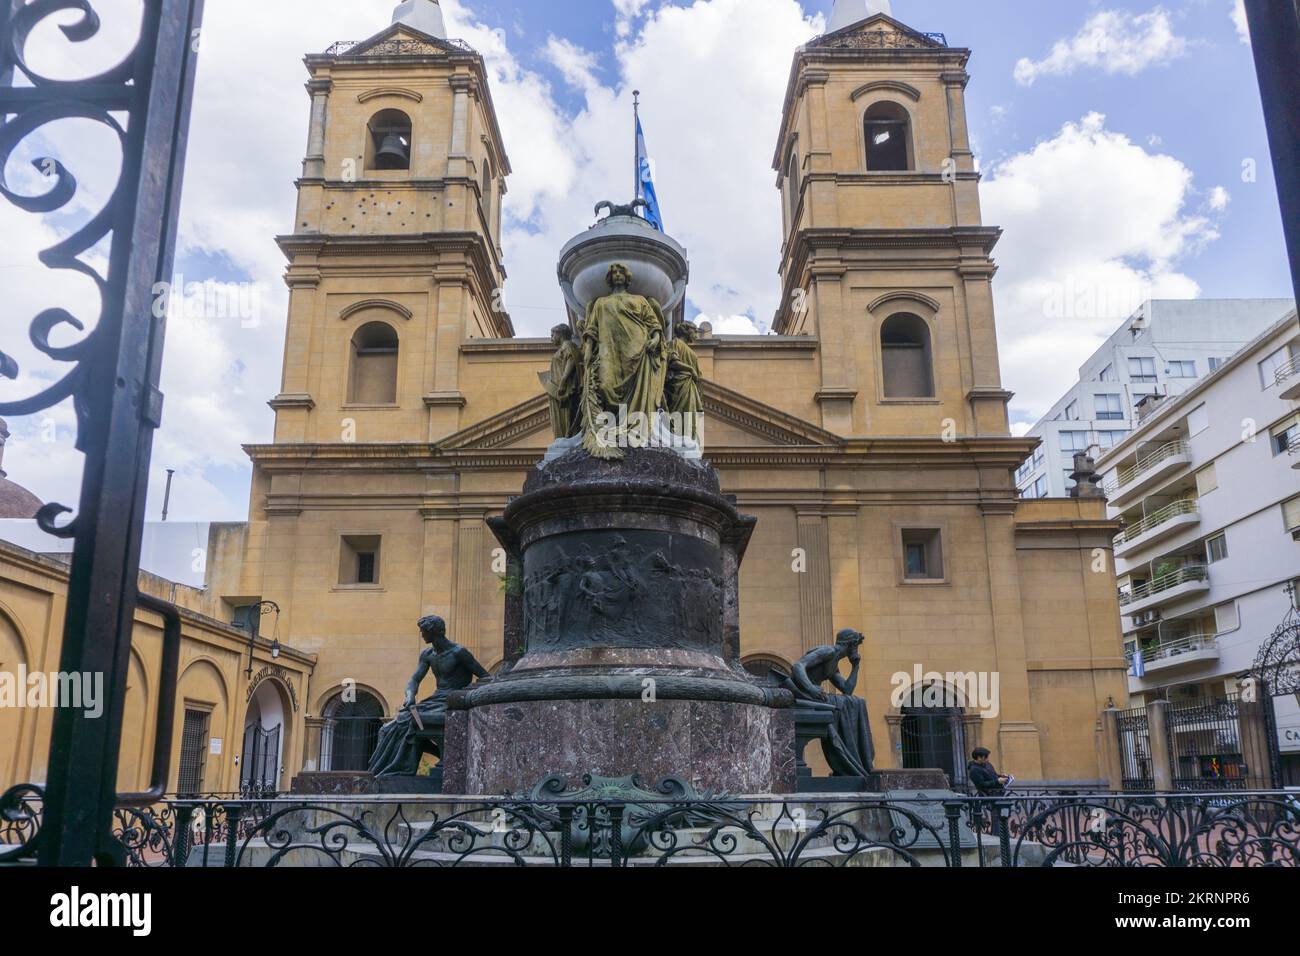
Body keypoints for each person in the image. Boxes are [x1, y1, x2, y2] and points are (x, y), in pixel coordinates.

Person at [367, 615, 490, 777]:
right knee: (388, 728)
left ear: (435, 632)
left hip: (453, 701)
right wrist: (410, 696)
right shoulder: (427, 655)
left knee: (409, 722)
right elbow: (414, 679)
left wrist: (466, 696)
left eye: (424, 631)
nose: (422, 634)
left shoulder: (459, 652)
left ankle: (406, 767)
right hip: (435, 700)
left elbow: (485, 676)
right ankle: (389, 771)